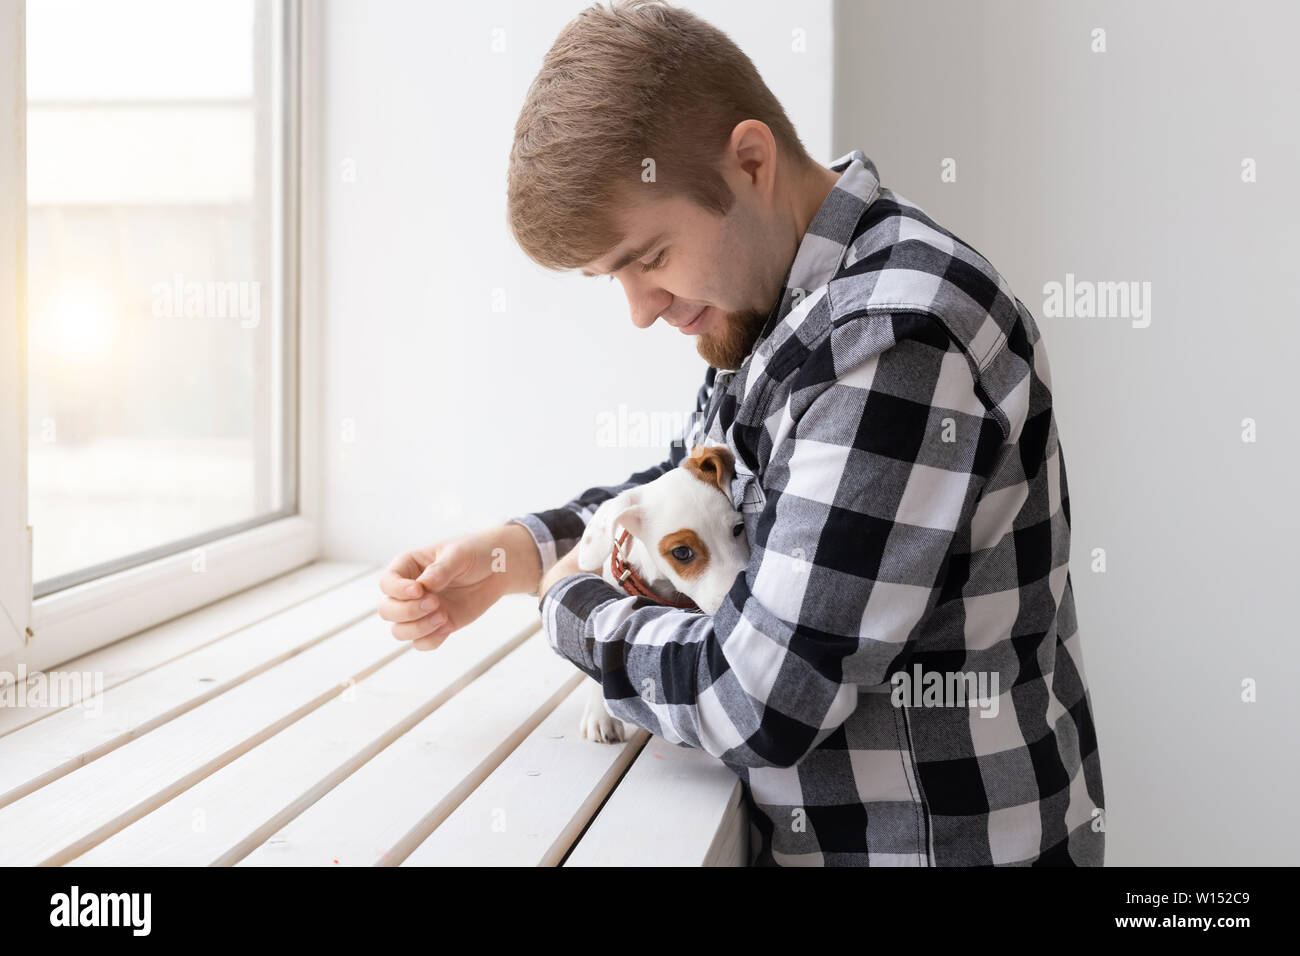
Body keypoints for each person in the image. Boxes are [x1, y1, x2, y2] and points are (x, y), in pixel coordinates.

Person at [378, 0, 1104, 866]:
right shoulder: (788, 300)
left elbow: (758, 699)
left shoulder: (893, 338)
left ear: (751, 162)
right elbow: (703, 488)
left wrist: (566, 602)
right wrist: (522, 552)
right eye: (613, 278)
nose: (642, 311)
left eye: (647, 259)